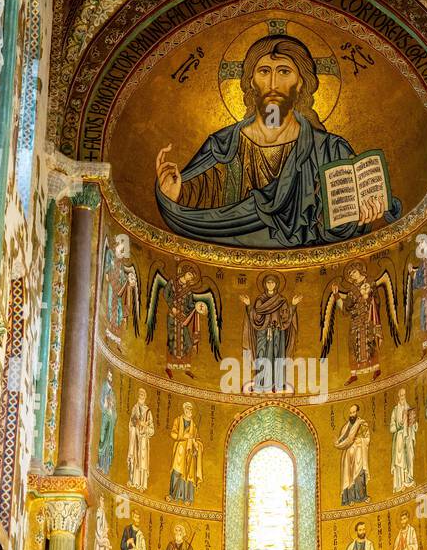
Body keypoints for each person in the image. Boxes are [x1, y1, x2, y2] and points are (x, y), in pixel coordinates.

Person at [154, 35, 400, 248]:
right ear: (251, 81)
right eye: (264, 72)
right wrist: (174, 195)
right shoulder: (222, 147)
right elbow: (197, 206)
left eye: (284, 71)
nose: (272, 84)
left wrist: (362, 217)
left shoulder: (330, 150)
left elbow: (331, 231)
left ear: (300, 82)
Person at [242, 272, 300, 393]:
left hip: (278, 334)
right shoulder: (260, 300)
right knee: (262, 356)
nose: (270, 285)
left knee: (277, 356)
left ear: (277, 284)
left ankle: (277, 384)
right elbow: (255, 317)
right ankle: (261, 383)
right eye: (268, 282)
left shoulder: (281, 300)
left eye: (272, 282)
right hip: (263, 333)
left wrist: (293, 306)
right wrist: (248, 306)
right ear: (264, 284)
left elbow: (286, 317)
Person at [334, 404, 370, 504]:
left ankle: (361, 497)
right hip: (348, 454)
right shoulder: (346, 427)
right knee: (348, 476)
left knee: (359, 475)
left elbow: (367, 439)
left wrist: (360, 440)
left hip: (359, 452)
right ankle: (350, 499)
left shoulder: (363, 424)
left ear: (357, 412)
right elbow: (343, 438)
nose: (352, 415)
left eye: (354, 412)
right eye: (350, 413)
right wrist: (338, 443)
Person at [126, 389, 155, 490]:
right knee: (134, 458)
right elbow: (131, 422)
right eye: (140, 394)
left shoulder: (148, 412)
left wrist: (145, 428)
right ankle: (133, 481)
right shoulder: (135, 408)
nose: (141, 395)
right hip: (135, 439)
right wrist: (137, 423)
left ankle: (142, 485)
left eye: (143, 394)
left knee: (142, 461)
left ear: (146, 396)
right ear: (138, 395)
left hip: (143, 440)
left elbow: (152, 430)